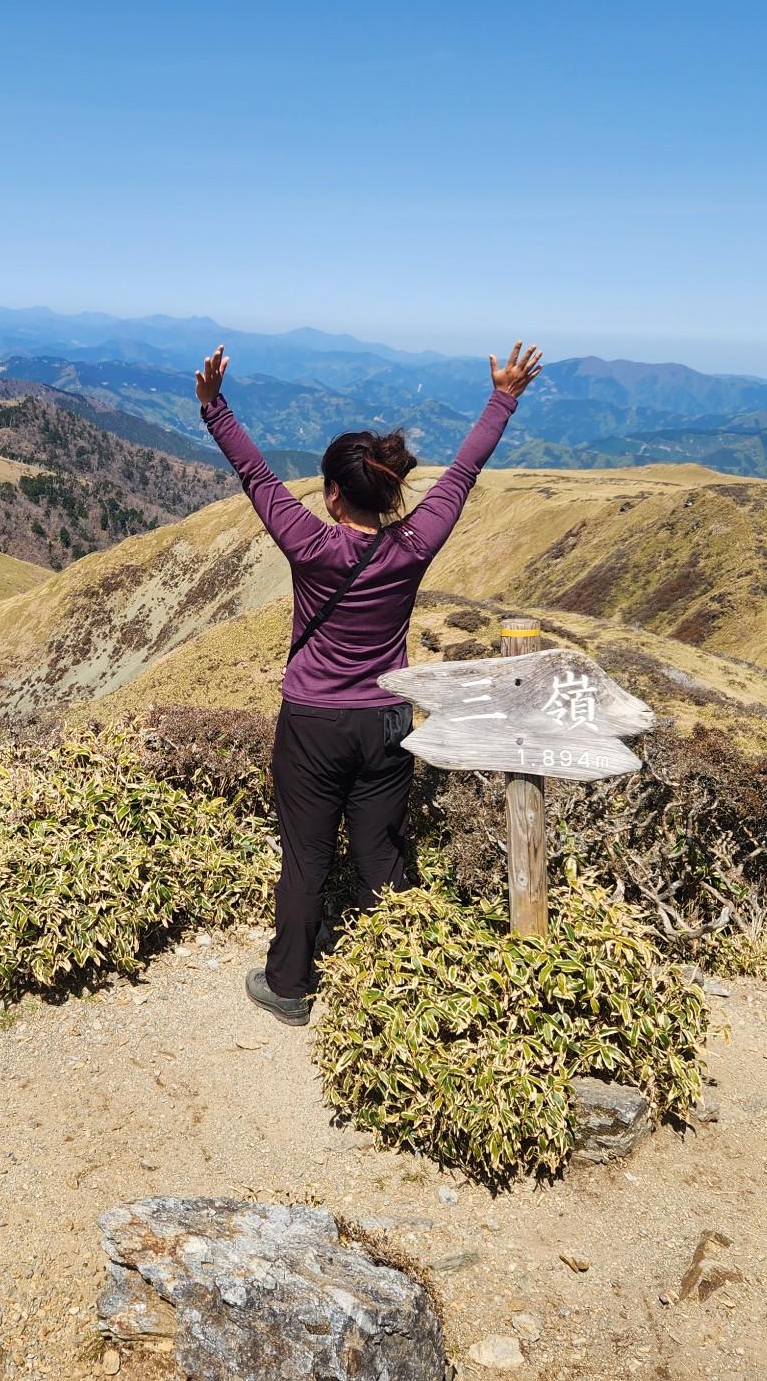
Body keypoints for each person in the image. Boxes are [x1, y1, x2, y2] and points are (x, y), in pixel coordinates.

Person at [196, 340, 545, 1025]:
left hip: (313, 722)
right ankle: (392, 981)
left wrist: (215, 408)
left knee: (305, 857)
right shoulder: (413, 544)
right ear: (387, 492)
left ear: (332, 495)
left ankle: (290, 987)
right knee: (382, 852)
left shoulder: (310, 543)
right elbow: (464, 472)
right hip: (386, 718)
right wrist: (503, 397)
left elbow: (256, 477)